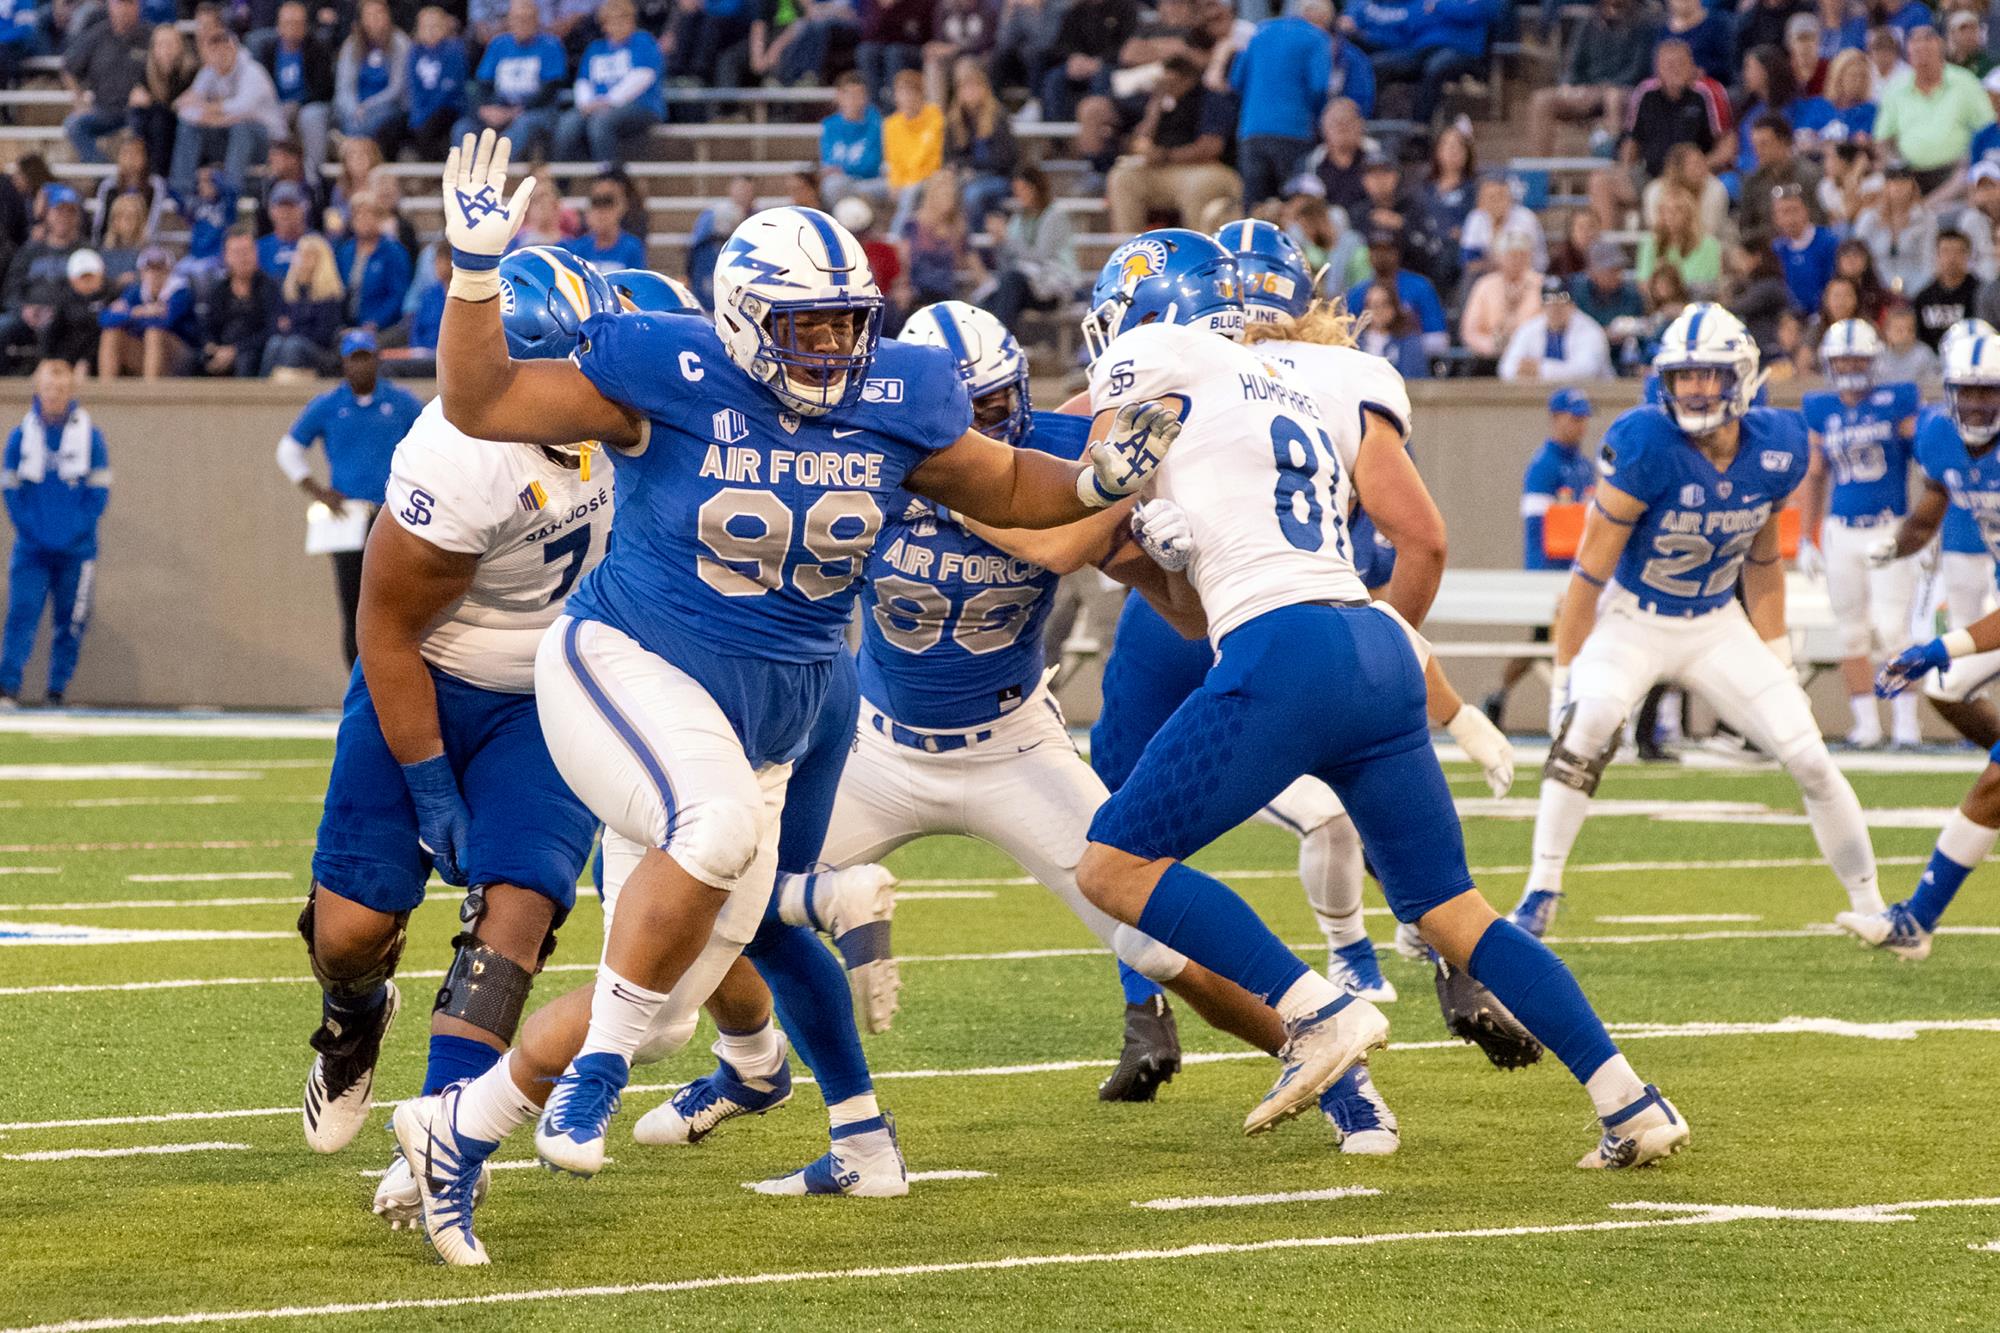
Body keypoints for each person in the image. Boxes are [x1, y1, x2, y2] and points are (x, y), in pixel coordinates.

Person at [392, 132, 1183, 1265]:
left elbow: (1006, 481)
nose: (828, 348)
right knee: (705, 837)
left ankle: (455, 1133)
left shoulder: (897, 393)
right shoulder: (667, 368)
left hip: (768, 712)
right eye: (804, 325)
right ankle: (592, 1080)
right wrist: (473, 273)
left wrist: (1095, 482)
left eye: (845, 323)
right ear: (740, 319)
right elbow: (479, 398)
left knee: (677, 1000)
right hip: (626, 663)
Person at [641, 296, 1411, 1180]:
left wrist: (1158, 563)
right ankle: (750, 1067)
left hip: (1013, 743)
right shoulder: (856, 444)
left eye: (1001, 403)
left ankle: (1337, 1071)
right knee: (723, 890)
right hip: (880, 747)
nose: (989, 426)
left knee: (1161, 943)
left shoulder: (1060, 450)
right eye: (964, 414)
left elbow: (1167, 606)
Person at [1065, 227, 1687, 1170]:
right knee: (1454, 911)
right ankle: (1629, 1100)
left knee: (1111, 867)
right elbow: (1212, 588)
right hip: (1373, 645)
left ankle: (1318, 1009)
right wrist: (1168, 549)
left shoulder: (1163, 355)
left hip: (1285, 648)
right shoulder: (1296, 383)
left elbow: (1063, 456)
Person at [298, 249, 613, 1225]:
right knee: (350, 932)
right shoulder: (454, 456)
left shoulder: (621, 409)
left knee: (514, 911)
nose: (582, 394)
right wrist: (433, 787)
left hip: (555, 692)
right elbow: (385, 632)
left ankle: (446, 1132)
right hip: (427, 675)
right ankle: (354, 1017)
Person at [1515, 302, 1884, 939]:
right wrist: (1567, 677)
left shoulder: (1778, 445)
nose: (1692, 388)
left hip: (1716, 623)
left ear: (1739, 377)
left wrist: (1778, 658)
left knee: (1811, 758)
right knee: (1593, 720)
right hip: (1634, 619)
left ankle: (1873, 906)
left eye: (1707, 375)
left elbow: (1763, 562)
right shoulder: (1645, 444)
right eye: (1682, 376)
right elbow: (1587, 577)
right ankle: (1540, 889)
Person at [1845, 334, 2000, 957]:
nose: (1978, 404)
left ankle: (1915, 922)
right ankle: (1915, 923)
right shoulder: (1939, 437)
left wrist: (1944, 647)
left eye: (1989, 391)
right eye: (1967, 391)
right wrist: (1896, 546)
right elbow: (1932, 506)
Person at [1795, 318, 1922, 748]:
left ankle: (1906, 723)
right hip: (1840, 530)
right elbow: (1814, 475)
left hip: (1889, 526)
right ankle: (1866, 725)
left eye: (1857, 358)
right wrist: (1806, 536)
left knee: (1893, 629)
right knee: (1850, 630)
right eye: (1842, 358)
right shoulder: (1820, 407)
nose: (1849, 365)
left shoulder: (1897, 399)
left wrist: (1924, 531)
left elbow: (1924, 465)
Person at [274, 329, 424, 666]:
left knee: (397, 601)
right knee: (353, 604)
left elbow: (432, 445)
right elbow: (288, 450)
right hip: (348, 516)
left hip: (392, 515)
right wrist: (316, 491)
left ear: (377, 360)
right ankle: (358, 682)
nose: (360, 367)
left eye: (366, 359)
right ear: (344, 363)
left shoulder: (401, 402)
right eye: (353, 360)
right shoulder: (329, 406)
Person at [1483, 388, 1598, 730]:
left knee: (1545, 642)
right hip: (1548, 569)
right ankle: (1553, 704)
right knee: (1546, 641)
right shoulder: (1544, 465)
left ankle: (1499, 696)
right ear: (1555, 418)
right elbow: (1540, 524)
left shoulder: (1583, 466)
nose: (1579, 426)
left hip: (1575, 568)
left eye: (1583, 419)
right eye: (1573, 418)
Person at [0, 360, 109, 710]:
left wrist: (77, 529)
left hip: (77, 549)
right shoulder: (21, 436)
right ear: (38, 391)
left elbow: (98, 493)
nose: (54, 396)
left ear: (71, 392)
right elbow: (10, 489)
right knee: (21, 615)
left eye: (61, 390)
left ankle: (56, 691)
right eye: (48, 389)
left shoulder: (90, 437)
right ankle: (8, 689)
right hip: (32, 547)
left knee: (71, 622)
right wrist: (29, 527)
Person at [1232, 0, 1362, 207]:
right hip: (1293, 132)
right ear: (1323, 19)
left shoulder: (1261, 32)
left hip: (1251, 131)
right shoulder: (1317, 38)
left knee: (1253, 206)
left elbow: (1236, 79)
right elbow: (1320, 86)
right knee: (1294, 204)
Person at [1104, 53, 1238, 235]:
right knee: (1122, 177)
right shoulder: (1162, 102)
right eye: (1164, 81)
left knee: (1199, 185)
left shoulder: (1210, 99)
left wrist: (1165, 155)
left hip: (1207, 168)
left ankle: (1200, 252)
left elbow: (1211, 147)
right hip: (1167, 170)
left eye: (1173, 82)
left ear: (1188, 79)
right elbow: (1140, 141)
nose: (1168, 86)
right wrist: (1154, 108)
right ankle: (1130, 250)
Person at [1876, 24, 1993, 197]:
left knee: (1964, 178)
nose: (1922, 58)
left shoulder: (1965, 82)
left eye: (1927, 49)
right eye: (1916, 51)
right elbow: (1882, 140)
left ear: (1940, 48)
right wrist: (1895, 168)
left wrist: (1970, 159)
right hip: (1909, 174)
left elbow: (1988, 129)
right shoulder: (1895, 88)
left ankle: (1928, 209)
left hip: (1956, 171)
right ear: (1908, 55)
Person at [1528, 0, 1658, 156]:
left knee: (1613, 97)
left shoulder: (1645, 22)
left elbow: (1637, 70)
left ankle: (1612, 167)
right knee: (1542, 100)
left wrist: (1602, 89)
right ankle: (1539, 171)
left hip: (1625, 90)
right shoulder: (1588, 21)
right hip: (1589, 90)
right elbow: (1574, 63)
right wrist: (1569, 85)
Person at [170, 28, 283, 196]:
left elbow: (244, 108)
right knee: (188, 127)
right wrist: (212, 117)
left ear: (233, 49)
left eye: (224, 50)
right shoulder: (208, 73)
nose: (219, 56)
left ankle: (230, 193)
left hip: (268, 143)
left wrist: (209, 109)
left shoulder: (253, 71)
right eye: (213, 51)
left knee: (242, 128)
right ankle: (180, 191)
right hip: (229, 137)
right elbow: (182, 107)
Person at [552, 0, 664, 168]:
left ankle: (609, 175)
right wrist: (586, 104)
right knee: (567, 124)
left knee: (601, 122)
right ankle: (561, 182)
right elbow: (583, 81)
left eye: (623, 19)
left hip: (641, 106)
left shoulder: (643, 41)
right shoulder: (595, 48)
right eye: (613, 20)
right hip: (595, 107)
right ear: (604, 25)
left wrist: (608, 101)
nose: (619, 24)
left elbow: (643, 76)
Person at [453, 0, 566, 161]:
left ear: (537, 20)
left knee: (524, 124)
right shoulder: (499, 44)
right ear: (509, 21)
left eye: (527, 18)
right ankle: (465, 177)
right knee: (463, 128)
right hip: (499, 107)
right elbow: (482, 84)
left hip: (536, 110)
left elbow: (549, 89)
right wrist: (486, 108)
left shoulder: (551, 45)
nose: (522, 23)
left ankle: (494, 174)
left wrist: (514, 112)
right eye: (517, 18)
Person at [1367, 0, 1496, 127]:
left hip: (1461, 50)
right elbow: (1412, 21)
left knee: (1435, 67)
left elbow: (1473, 12)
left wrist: (1438, 5)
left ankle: (1419, 130)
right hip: (1420, 49)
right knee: (1376, 65)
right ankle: (1370, 127)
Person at [979, 164, 1077, 330]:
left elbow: (1041, 255)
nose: (1019, 195)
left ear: (1036, 188)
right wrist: (999, 242)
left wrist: (1007, 238)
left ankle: (1002, 340)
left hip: (1051, 285)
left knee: (1010, 285)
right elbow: (1008, 264)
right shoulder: (1018, 219)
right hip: (1024, 285)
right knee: (987, 300)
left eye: (1023, 189)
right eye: (1016, 190)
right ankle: (991, 340)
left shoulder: (1055, 215)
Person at [62, 0, 151, 167]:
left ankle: (141, 172)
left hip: (140, 111)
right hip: (105, 110)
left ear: (138, 6)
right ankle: (103, 172)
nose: (124, 9)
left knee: (152, 120)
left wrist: (151, 93)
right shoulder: (97, 35)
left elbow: (166, 70)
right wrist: (79, 101)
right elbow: (68, 67)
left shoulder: (150, 36)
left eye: (129, 3)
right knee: (74, 124)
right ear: (110, 5)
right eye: (120, 3)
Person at [250, 3, 334, 175]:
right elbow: (259, 87)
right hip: (275, 106)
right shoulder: (267, 50)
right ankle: (273, 175)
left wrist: (298, 104)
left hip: (309, 105)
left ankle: (313, 177)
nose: (292, 28)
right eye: (288, 23)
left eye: (297, 23)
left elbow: (324, 89)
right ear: (278, 26)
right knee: (269, 117)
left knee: (311, 116)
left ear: (305, 26)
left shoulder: (318, 48)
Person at [192, 224, 278, 376]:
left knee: (245, 359)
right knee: (198, 359)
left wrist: (236, 350)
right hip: (222, 349)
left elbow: (271, 331)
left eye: (247, 251)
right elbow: (207, 326)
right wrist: (211, 346)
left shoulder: (270, 287)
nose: (243, 258)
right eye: (237, 253)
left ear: (256, 253)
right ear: (226, 256)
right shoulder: (218, 290)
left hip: (255, 352)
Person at [1347, 228, 1448, 357]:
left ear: (1398, 253)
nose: (1381, 256)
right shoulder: (1357, 292)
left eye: (1387, 250)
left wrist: (1403, 344)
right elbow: (1347, 337)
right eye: (1375, 250)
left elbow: (1439, 339)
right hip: (1367, 360)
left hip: (1410, 362)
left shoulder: (1420, 287)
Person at [97, 244, 193, 378]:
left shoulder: (180, 292)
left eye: (160, 269)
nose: (154, 275)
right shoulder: (135, 291)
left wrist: (128, 315)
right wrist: (138, 312)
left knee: (154, 333)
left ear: (169, 271)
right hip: (146, 353)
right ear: (142, 273)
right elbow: (105, 319)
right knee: (111, 332)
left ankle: (151, 390)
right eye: (149, 270)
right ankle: (107, 389)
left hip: (180, 356)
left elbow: (166, 322)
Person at [1499, 275, 1615, 382]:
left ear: (1572, 305)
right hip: (1539, 398)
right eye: (1550, 304)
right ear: (1543, 306)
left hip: (1592, 398)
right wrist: (1523, 369)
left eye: (1561, 303)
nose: (1555, 309)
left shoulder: (1590, 330)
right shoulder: (1529, 328)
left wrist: (1540, 368)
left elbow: (1586, 371)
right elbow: (1506, 368)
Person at [264, 232, 346, 373]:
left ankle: (286, 392)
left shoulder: (329, 295)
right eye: (300, 254)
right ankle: (262, 389)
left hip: (320, 351)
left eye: (309, 255)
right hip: (291, 342)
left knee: (293, 345)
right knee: (274, 343)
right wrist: (297, 326)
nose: (303, 259)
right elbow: (275, 325)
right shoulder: (288, 290)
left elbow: (324, 334)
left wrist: (292, 327)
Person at [334, 0, 410, 148]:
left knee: (369, 122)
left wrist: (368, 106)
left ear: (388, 16)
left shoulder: (400, 42)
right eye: (369, 14)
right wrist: (354, 108)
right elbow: (344, 87)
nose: (374, 18)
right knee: (350, 118)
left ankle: (353, 150)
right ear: (361, 19)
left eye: (379, 13)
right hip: (356, 108)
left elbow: (397, 88)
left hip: (388, 105)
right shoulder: (351, 44)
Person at [1460, 229, 1543, 362]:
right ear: (1499, 257)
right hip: (1490, 357)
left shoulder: (1541, 284)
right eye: (1512, 255)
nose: (1517, 260)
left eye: (1522, 255)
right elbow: (1470, 331)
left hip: (1533, 354)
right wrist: (1493, 347)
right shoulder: (1485, 285)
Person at [337, 190, 413, 332]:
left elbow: (398, 294)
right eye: (358, 215)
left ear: (379, 218)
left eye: (368, 214)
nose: (363, 219)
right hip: (350, 324)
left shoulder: (393, 252)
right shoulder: (345, 252)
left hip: (386, 327)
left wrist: (376, 323)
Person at [1637, 183, 1723, 296]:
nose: (1670, 217)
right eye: (1665, 211)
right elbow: (1644, 284)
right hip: (1661, 307)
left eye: (1677, 210)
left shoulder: (1709, 245)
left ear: (1689, 213)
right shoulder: (1649, 243)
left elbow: (1711, 285)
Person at [820, 71, 887, 208]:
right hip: (840, 183)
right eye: (849, 95)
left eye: (859, 95)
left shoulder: (876, 123)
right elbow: (827, 161)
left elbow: (871, 164)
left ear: (866, 97)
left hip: (870, 182)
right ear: (839, 96)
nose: (854, 100)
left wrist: (843, 170)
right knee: (833, 184)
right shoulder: (829, 125)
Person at [1772, 182, 1841, 312]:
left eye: (1794, 210)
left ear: (1806, 210)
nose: (1790, 218)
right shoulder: (1776, 248)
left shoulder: (1828, 241)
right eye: (1783, 212)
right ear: (1776, 218)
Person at [40, 250, 109, 372]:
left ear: (101, 276)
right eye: (83, 278)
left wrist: (86, 360)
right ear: (72, 280)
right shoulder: (64, 300)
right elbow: (51, 332)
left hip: (98, 360)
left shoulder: (112, 296)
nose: (87, 282)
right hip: (66, 359)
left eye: (91, 277)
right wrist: (47, 360)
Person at [560, 177, 646, 273]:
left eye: (608, 204)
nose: (602, 213)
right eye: (596, 204)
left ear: (621, 207)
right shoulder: (576, 249)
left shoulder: (631, 248)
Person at [1913, 228, 1980, 347]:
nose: (1952, 258)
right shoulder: (1923, 297)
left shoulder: (1979, 293)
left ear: (1968, 256)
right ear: (1936, 256)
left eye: (1958, 252)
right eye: (1945, 251)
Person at [1876, 299, 1940, 379]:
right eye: (1899, 330)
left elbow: (1934, 384)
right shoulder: (1878, 356)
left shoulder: (1924, 355)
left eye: (1910, 330)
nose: (1905, 334)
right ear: (1887, 332)